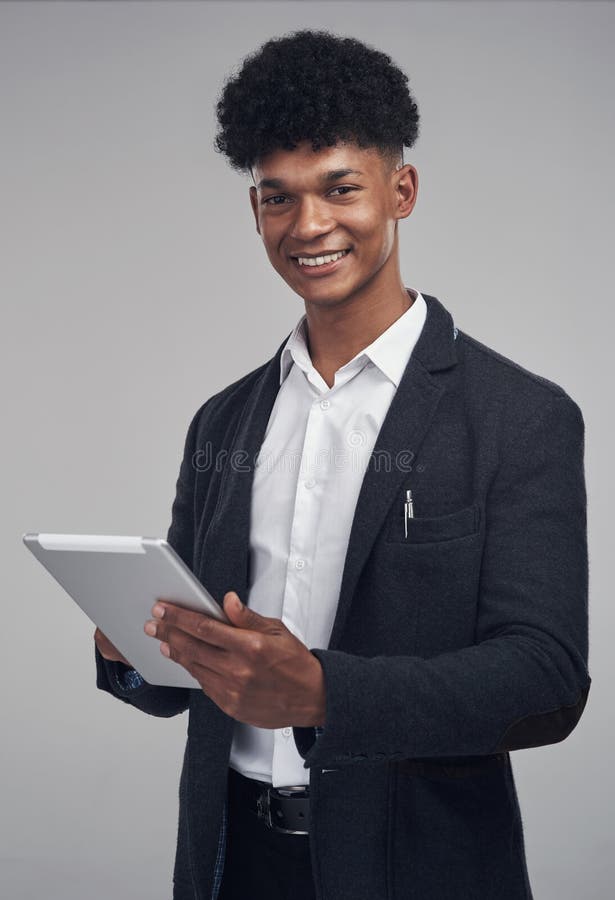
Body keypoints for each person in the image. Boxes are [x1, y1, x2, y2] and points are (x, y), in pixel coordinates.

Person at [94, 28, 591, 900]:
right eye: (278, 199)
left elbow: (545, 679)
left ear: (399, 191)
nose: (308, 226)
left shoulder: (520, 416)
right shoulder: (224, 418)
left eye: (339, 190)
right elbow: (189, 683)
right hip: (228, 862)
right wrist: (138, 649)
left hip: (417, 866)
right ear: (255, 213)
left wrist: (325, 692)